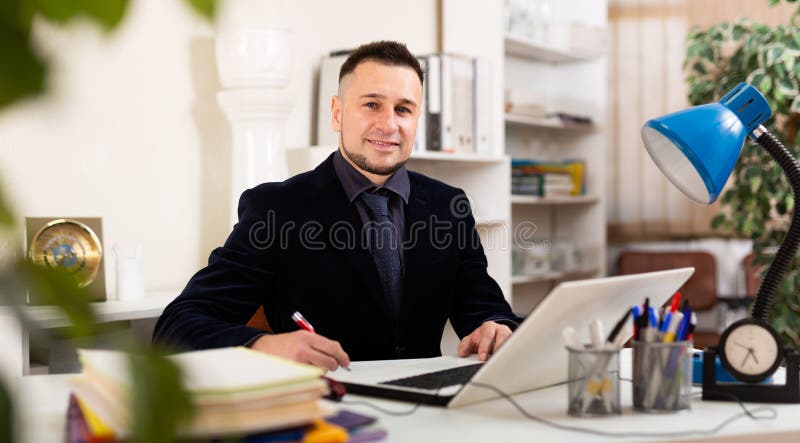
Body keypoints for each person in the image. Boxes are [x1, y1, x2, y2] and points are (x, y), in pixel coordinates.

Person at [153, 40, 521, 371]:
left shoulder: (449, 206)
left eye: (403, 109)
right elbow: (178, 324)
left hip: (428, 404)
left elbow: (486, 310)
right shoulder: (276, 209)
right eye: (372, 104)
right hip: (327, 403)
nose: (389, 124)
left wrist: (496, 329)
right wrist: (263, 345)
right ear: (337, 113)